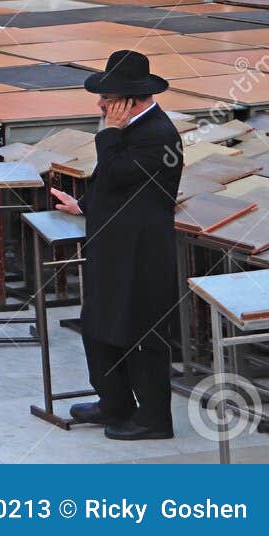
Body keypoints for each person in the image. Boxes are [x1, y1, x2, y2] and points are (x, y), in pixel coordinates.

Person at [50, 50, 181, 442]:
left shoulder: (158, 134)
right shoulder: (128, 131)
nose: (100, 106)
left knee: (142, 335)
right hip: (112, 250)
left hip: (141, 255)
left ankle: (154, 419)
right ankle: (114, 402)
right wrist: (83, 205)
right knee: (99, 327)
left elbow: (120, 173)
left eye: (107, 99)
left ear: (129, 101)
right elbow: (109, 183)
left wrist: (109, 133)